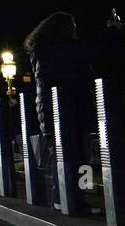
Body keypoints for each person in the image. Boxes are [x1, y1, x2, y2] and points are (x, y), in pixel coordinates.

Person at [24, 12, 95, 209]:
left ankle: (61, 198)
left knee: (61, 157)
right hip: (71, 108)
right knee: (81, 156)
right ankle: (77, 199)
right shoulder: (66, 48)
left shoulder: (40, 50)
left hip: (51, 111)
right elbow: (85, 70)